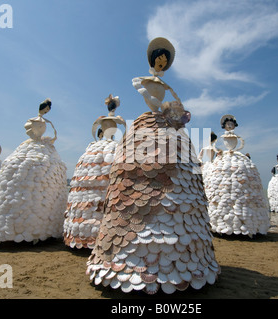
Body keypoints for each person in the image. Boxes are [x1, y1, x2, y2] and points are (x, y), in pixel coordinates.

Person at [86, 37, 220, 294]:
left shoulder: (169, 87)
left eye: (165, 60)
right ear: (153, 58)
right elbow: (153, 100)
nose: (162, 62)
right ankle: (128, 257)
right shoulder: (142, 81)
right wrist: (166, 108)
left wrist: (174, 112)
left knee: (178, 180)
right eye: (160, 58)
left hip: (169, 130)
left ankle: (180, 259)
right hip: (148, 128)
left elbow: (173, 109)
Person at [0, 99, 68, 245]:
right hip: (33, 145)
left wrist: (51, 139)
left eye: (48, 109)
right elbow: (33, 129)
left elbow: (54, 133)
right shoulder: (33, 121)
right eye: (46, 109)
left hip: (43, 147)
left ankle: (42, 227)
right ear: (42, 108)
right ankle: (12, 227)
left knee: (43, 172)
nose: (46, 111)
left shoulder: (47, 122)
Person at [63, 94, 126, 249]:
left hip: (105, 146)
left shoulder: (104, 119)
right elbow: (124, 128)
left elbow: (94, 128)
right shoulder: (113, 119)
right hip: (106, 146)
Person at [203, 114, 270, 237]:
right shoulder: (213, 147)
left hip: (227, 160)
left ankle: (245, 223)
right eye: (228, 124)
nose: (229, 126)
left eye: (231, 124)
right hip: (216, 164)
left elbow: (239, 144)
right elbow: (204, 156)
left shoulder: (220, 146)